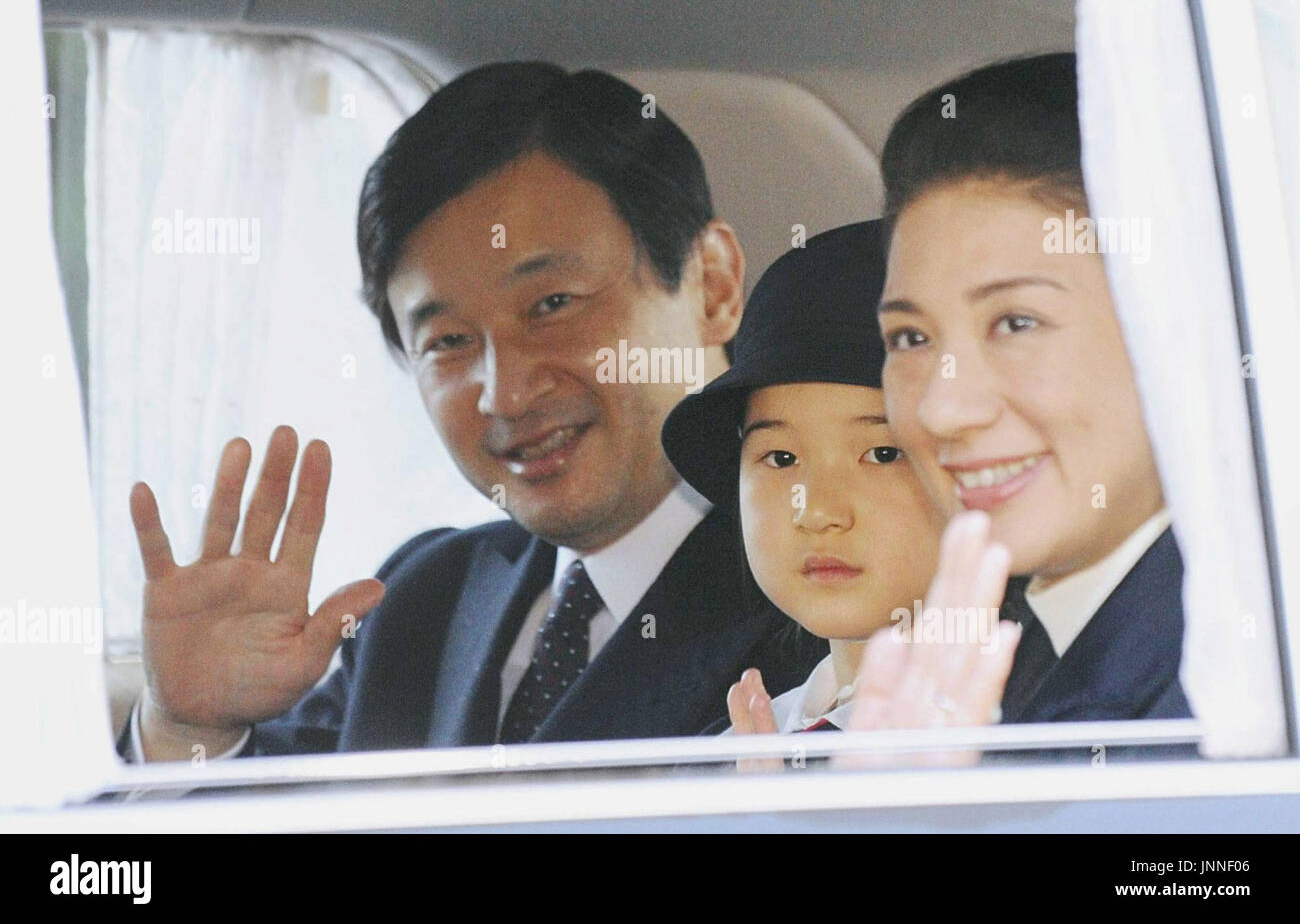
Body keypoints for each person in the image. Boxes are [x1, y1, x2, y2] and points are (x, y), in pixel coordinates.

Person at [120, 62, 825, 763]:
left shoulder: (834, 598)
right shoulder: (420, 600)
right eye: (449, 342)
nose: (506, 392)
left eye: (552, 305)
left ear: (713, 284)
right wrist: (188, 731)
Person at [848, 52, 1191, 741]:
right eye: (910, 338)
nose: (943, 409)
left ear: (1176, 330)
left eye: (1015, 322)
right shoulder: (1024, 646)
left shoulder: (1224, 693)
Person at [660, 221, 964, 739]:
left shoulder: (1049, 735)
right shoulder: (727, 757)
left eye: (883, 453)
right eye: (780, 458)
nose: (817, 510)